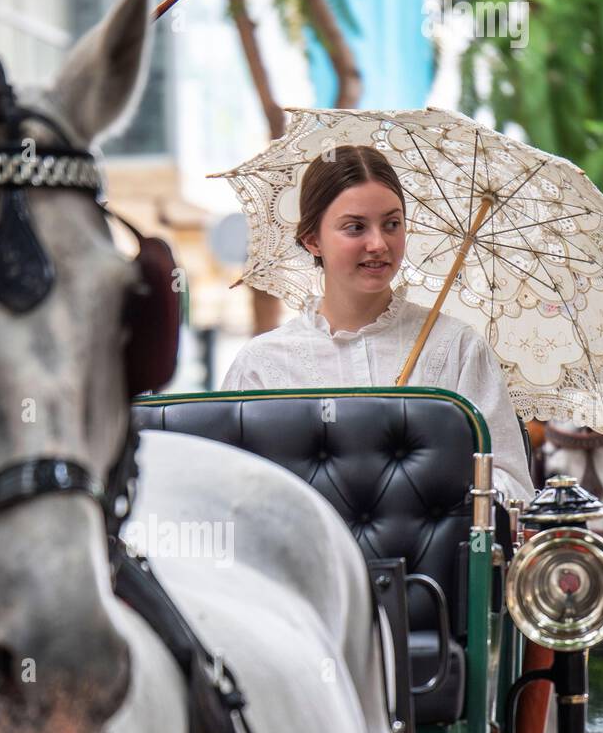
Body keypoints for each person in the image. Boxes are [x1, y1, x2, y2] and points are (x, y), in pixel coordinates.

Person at [222, 146, 535, 504]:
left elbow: (515, 489)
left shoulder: (457, 347)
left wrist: (440, 487)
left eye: (392, 224)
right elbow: (231, 493)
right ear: (312, 240)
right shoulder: (262, 365)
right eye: (355, 227)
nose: (378, 244)